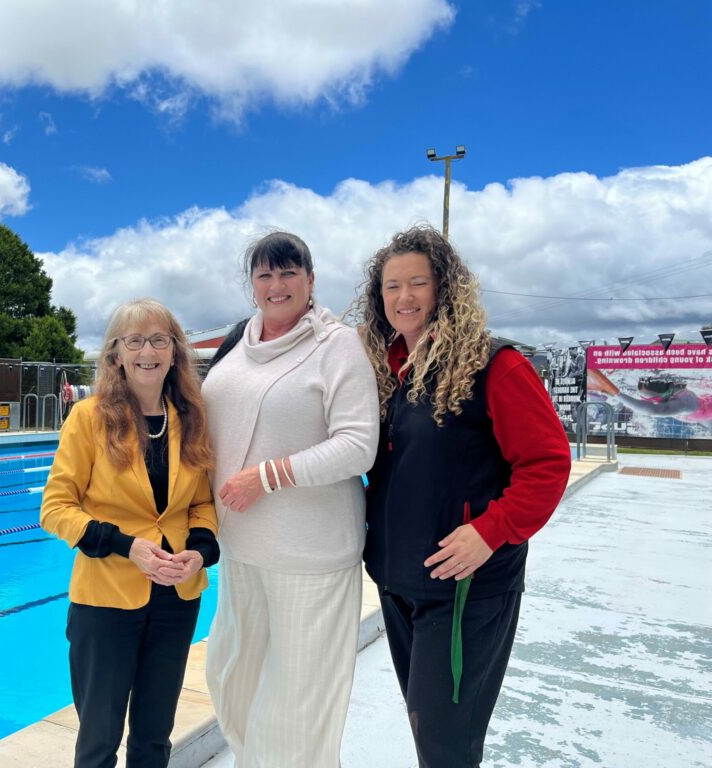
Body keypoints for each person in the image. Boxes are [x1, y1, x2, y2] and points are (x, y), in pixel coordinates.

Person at [360, 225, 571, 768]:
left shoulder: (493, 364)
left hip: (465, 590)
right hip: (400, 584)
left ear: (444, 287)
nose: (404, 297)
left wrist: (490, 531)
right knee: (428, 733)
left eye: (418, 282)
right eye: (391, 286)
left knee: (445, 747)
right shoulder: (387, 371)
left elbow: (547, 463)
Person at [202, 231, 378, 767]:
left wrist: (268, 476)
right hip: (242, 550)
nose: (276, 284)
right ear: (252, 284)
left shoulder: (336, 346)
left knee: (296, 711)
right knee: (231, 680)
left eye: (288, 272)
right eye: (265, 274)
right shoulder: (239, 341)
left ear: (310, 279)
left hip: (310, 557)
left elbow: (358, 445)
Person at [41, 298, 219, 768]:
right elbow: (56, 507)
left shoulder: (191, 419)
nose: (147, 351)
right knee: (99, 740)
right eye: (135, 341)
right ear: (116, 354)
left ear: (175, 352)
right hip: (105, 600)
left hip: (177, 598)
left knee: (154, 737)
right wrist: (125, 546)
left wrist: (200, 552)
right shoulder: (89, 418)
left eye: (159, 340)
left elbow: (202, 503)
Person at [588, 368, 712, 422]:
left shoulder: (686, 403)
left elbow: (652, 411)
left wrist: (616, 393)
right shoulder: (682, 400)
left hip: (701, 409)